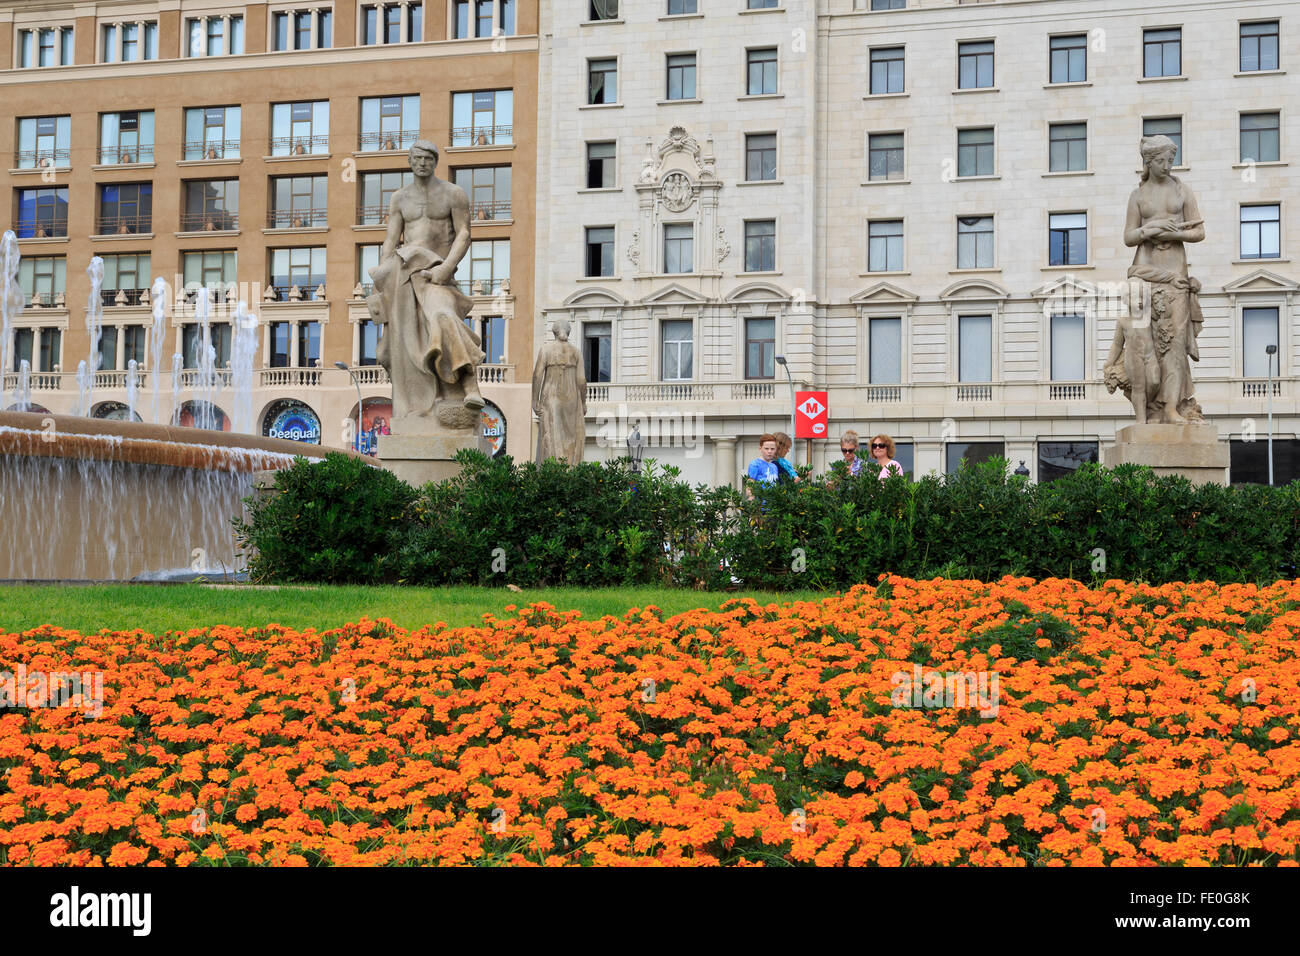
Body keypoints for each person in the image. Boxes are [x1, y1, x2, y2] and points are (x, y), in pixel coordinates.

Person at [366, 139, 485, 427]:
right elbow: (390, 241)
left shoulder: (452, 194)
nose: (422, 163)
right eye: (417, 158)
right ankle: (417, 408)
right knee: (391, 350)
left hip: (436, 274)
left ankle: (469, 382)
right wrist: (381, 282)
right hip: (403, 274)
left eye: (428, 159)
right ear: (410, 161)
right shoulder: (399, 199)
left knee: (442, 316)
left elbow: (464, 234)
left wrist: (446, 268)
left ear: (435, 162)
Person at [1119, 134, 1207, 424]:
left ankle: (1171, 407)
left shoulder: (1183, 190)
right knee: (1147, 345)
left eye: (1170, 160)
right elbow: (1129, 237)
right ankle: (1150, 410)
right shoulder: (1138, 195)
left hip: (1175, 277)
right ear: (1148, 162)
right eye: (1161, 161)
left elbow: (1198, 232)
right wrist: (1152, 227)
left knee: (1175, 344)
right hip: (1143, 275)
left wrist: (1172, 233)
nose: (1168, 166)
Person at [745, 434, 780, 501]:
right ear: (760, 448)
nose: (769, 451)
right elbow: (749, 485)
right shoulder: (755, 464)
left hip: (773, 506)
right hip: (760, 507)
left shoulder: (774, 466)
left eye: (772, 449)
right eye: (766, 448)